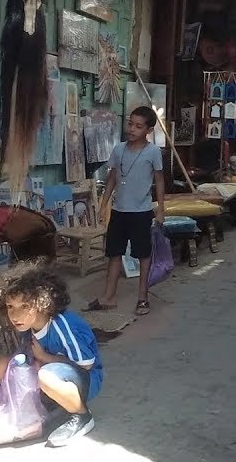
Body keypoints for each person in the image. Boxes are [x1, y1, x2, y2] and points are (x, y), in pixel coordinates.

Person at [0, 261, 102, 447]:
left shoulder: (64, 326)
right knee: (3, 367)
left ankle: (82, 416)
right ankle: (55, 402)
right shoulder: (28, 327)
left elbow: (86, 365)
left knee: (46, 375)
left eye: (25, 306)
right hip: (60, 372)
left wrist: (45, 358)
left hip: (88, 379)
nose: (15, 315)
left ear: (43, 302)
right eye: (10, 306)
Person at [88, 106, 166, 316]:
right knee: (113, 254)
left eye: (138, 126)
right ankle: (108, 297)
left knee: (143, 256)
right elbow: (112, 177)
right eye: (130, 123)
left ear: (148, 130)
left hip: (141, 212)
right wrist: (104, 204)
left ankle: (142, 297)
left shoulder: (153, 152)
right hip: (119, 211)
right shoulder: (119, 149)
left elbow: (159, 181)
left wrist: (160, 209)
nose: (132, 129)